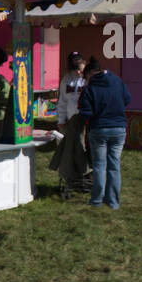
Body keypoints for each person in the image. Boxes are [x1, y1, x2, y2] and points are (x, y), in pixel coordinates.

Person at [78, 58, 130, 209]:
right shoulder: (118, 81)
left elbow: (85, 112)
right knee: (114, 166)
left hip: (98, 129)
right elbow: (127, 99)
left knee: (100, 166)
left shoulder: (89, 89)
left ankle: (96, 201)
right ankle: (113, 202)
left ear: (89, 74)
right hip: (119, 128)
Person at [50, 50, 90, 195]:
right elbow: (62, 102)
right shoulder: (66, 80)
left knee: (83, 149)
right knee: (72, 149)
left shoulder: (88, 79)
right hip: (72, 120)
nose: (79, 73)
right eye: (76, 70)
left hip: (86, 119)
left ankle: (84, 176)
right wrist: (61, 120)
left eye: (81, 70)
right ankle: (73, 178)